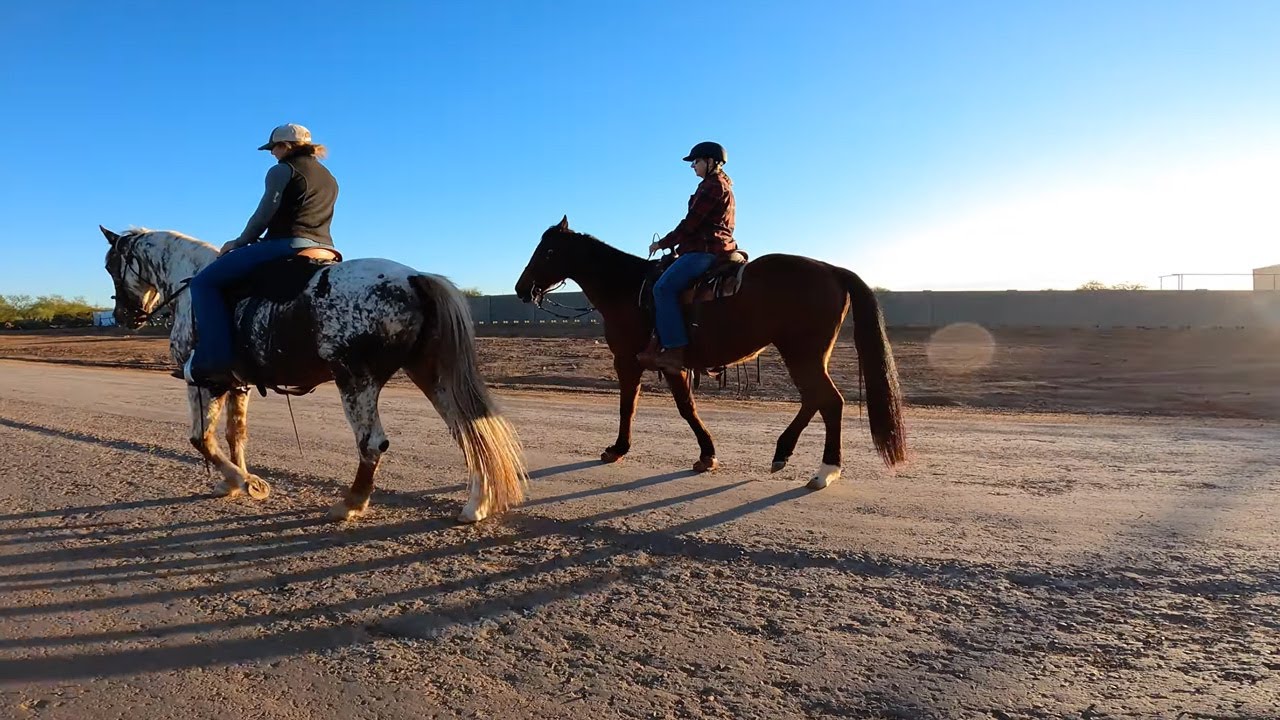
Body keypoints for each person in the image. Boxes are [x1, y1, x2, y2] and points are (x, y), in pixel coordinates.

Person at [181, 123, 340, 389]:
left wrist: (239, 242)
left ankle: (214, 359)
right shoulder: (329, 177)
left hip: (288, 244)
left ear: (287, 146)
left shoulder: (282, 170)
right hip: (327, 247)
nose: (272, 153)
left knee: (203, 283)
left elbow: (264, 213)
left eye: (274, 147)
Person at [639, 141, 738, 374]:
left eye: (696, 161)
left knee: (662, 289)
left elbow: (690, 224)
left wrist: (662, 243)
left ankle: (675, 350)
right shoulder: (722, 186)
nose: (693, 166)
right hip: (716, 247)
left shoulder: (711, 187)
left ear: (711, 162)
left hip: (706, 250)